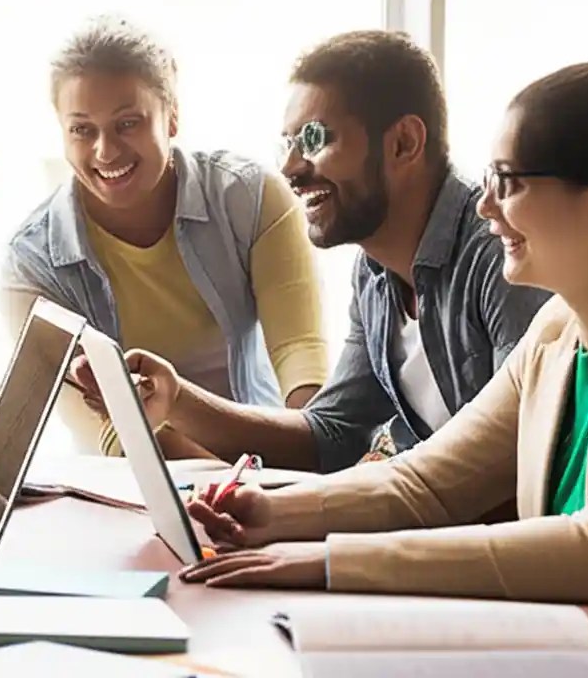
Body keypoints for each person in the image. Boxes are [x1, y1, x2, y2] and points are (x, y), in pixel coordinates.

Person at [179, 63, 588, 632]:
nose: (486, 207)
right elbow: (428, 482)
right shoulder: (560, 326)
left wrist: (329, 562)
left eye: (509, 183)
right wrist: (271, 513)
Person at [84, 30, 550, 472]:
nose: (289, 167)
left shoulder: (501, 257)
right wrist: (176, 399)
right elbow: (332, 434)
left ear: (404, 143)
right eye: (288, 143)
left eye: (314, 138)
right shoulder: (374, 273)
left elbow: (515, 462)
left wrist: (333, 515)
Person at [3, 15, 329, 459]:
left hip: (261, 458)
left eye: (127, 123)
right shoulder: (32, 264)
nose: (105, 151)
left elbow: (301, 356)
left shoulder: (249, 198)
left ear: (171, 117)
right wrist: (223, 487)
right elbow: (109, 430)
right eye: (82, 129)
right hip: (134, 480)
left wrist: (308, 456)